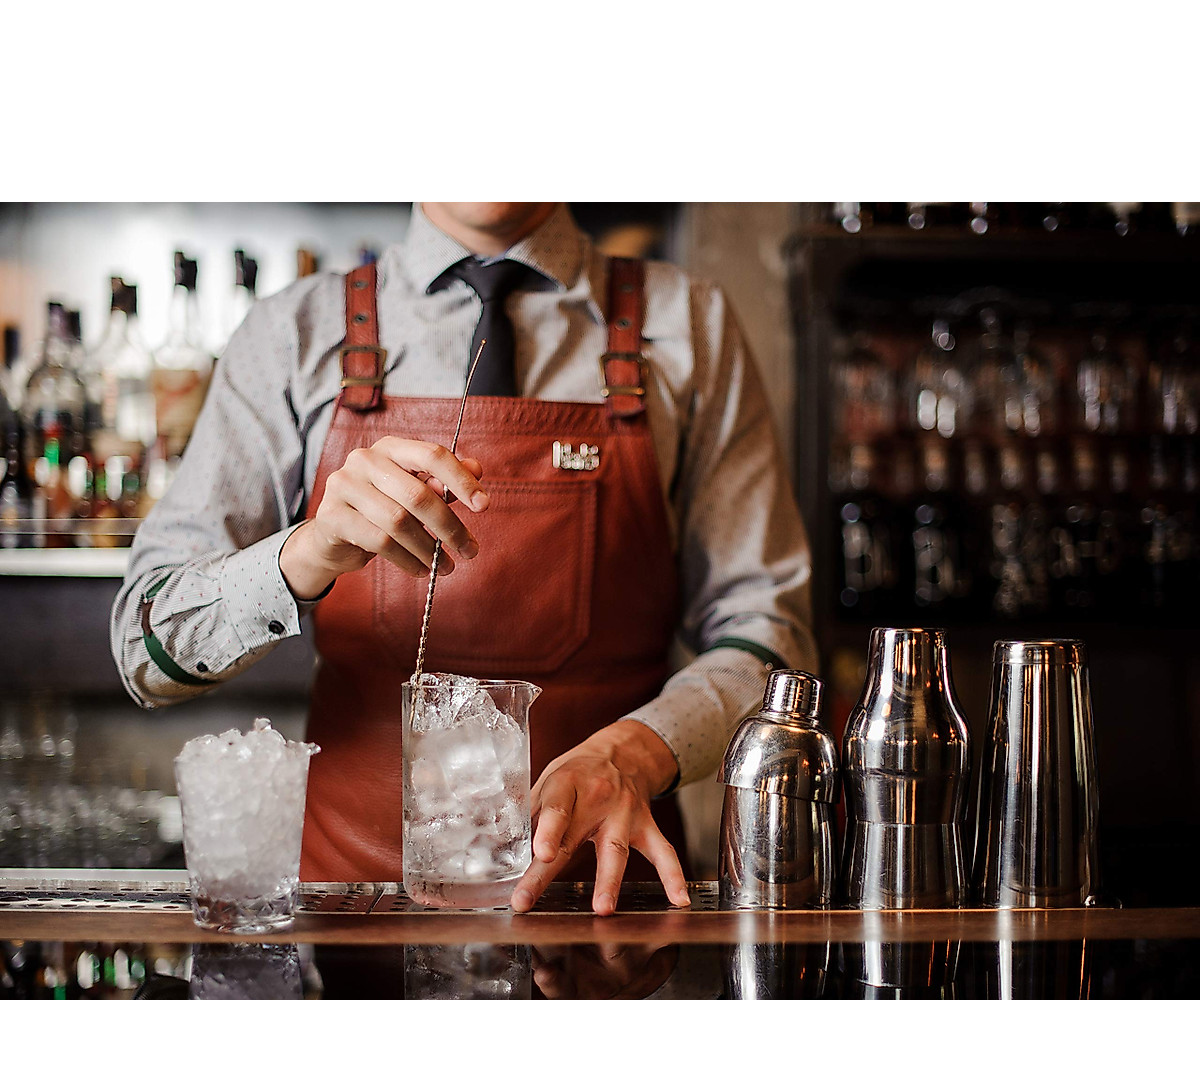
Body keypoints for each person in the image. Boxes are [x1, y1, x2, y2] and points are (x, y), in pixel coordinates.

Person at [111, 202, 817, 915]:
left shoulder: (690, 322)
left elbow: (773, 641)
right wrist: (302, 554)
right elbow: (145, 653)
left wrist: (638, 751)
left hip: (610, 912)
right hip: (348, 916)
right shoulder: (294, 332)